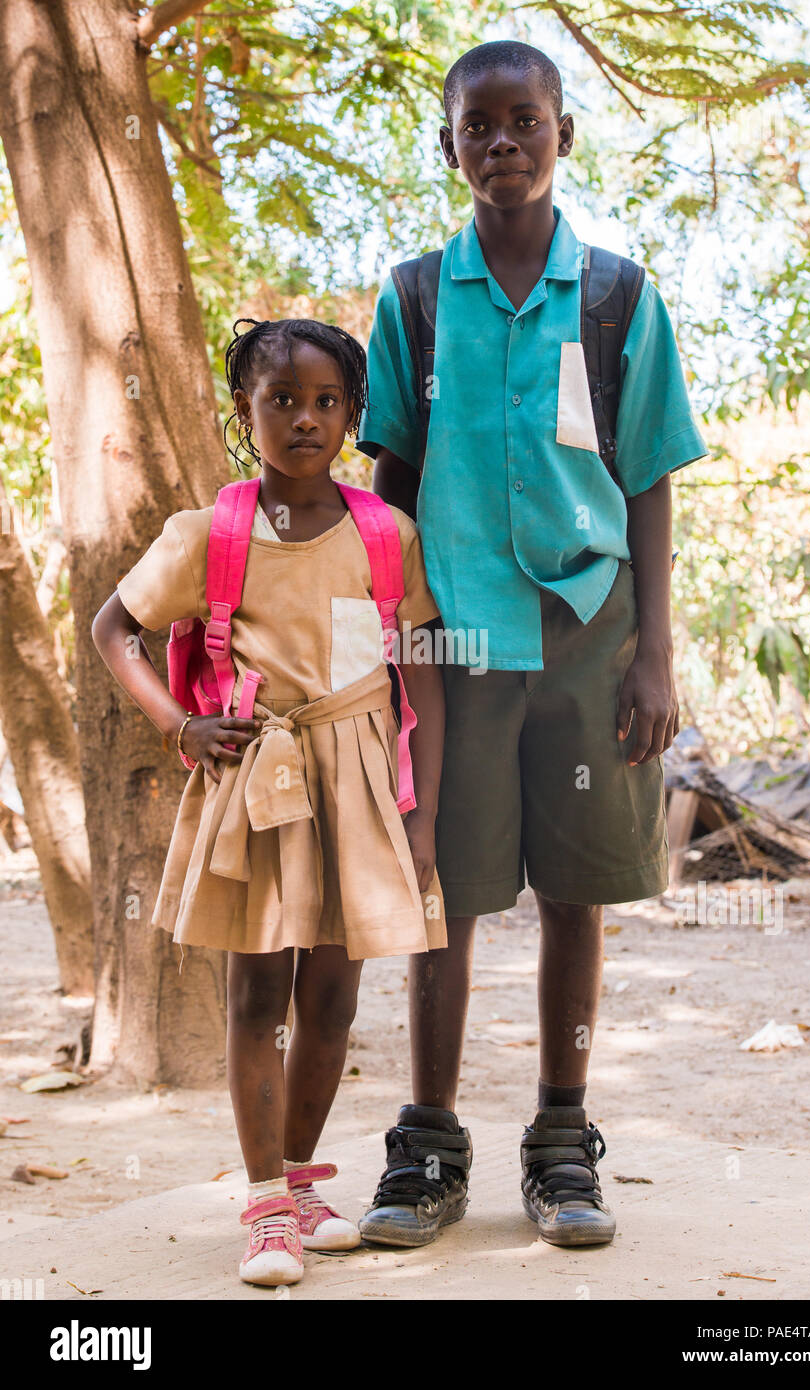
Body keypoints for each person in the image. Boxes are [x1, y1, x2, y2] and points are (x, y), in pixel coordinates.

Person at [354, 39, 708, 1249]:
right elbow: (389, 484)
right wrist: (374, 647)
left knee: (577, 889)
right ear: (447, 144)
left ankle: (562, 1143)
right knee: (443, 894)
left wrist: (655, 651)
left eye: (525, 120)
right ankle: (426, 1146)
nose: (502, 142)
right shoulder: (411, 298)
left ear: (564, 134)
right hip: (450, 648)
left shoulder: (616, 298)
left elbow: (650, 479)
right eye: (477, 126)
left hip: (586, 635)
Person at [91, 317, 446, 1285]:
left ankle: (299, 1181)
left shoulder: (385, 531)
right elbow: (114, 625)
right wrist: (179, 724)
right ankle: (263, 1208)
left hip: (361, 785)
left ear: (353, 416)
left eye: (328, 402)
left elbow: (420, 669)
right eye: (281, 399)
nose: (305, 419)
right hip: (259, 786)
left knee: (332, 996)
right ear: (243, 411)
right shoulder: (211, 532)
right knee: (258, 994)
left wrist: (421, 818)